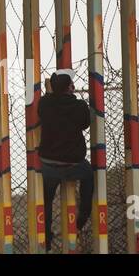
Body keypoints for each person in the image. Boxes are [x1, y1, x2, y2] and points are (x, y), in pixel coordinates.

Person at [38, 71, 93, 250]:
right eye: (71, 85)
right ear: (69, 88)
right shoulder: (79, 106)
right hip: (74, 164)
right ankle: (81, 219)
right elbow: (85, 123)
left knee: (46, 200)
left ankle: (46, 237)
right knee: (88, 176)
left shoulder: (45, 103)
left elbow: (45, 106)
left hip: (49, 164)